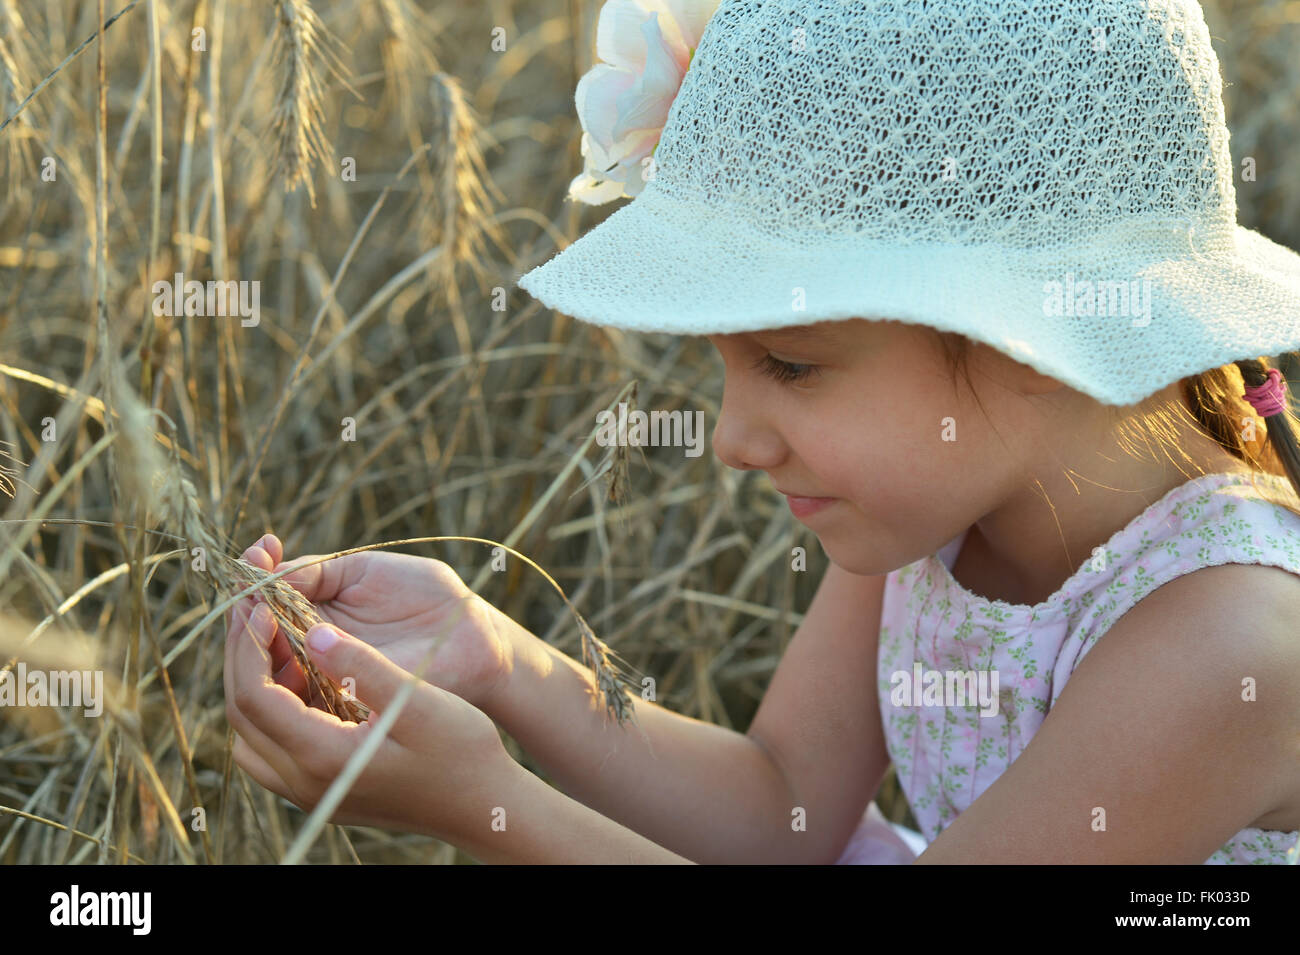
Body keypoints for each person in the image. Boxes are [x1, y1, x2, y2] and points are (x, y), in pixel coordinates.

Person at [224, 0, 1300, 863]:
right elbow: (781, 810)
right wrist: (496, 658)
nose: (733, 437)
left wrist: (488, 806)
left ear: (1025, 336)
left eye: (791, 366)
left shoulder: (1227, 645)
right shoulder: (942, 512)